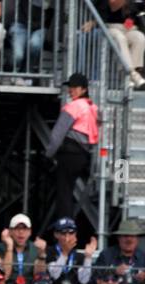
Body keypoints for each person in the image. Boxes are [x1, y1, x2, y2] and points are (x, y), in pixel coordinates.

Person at [45, 72, 97, 221]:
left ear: (83, 89)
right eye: (70, 87)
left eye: (74, 87)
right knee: (69, 190)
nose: (70, 90)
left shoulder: (73, 106)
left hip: (69, 153)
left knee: (64, 192)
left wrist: (48, 155)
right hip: (84, 154)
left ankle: (65, 226)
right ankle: (68, 224)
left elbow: (57, 135)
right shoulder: (92, 106)